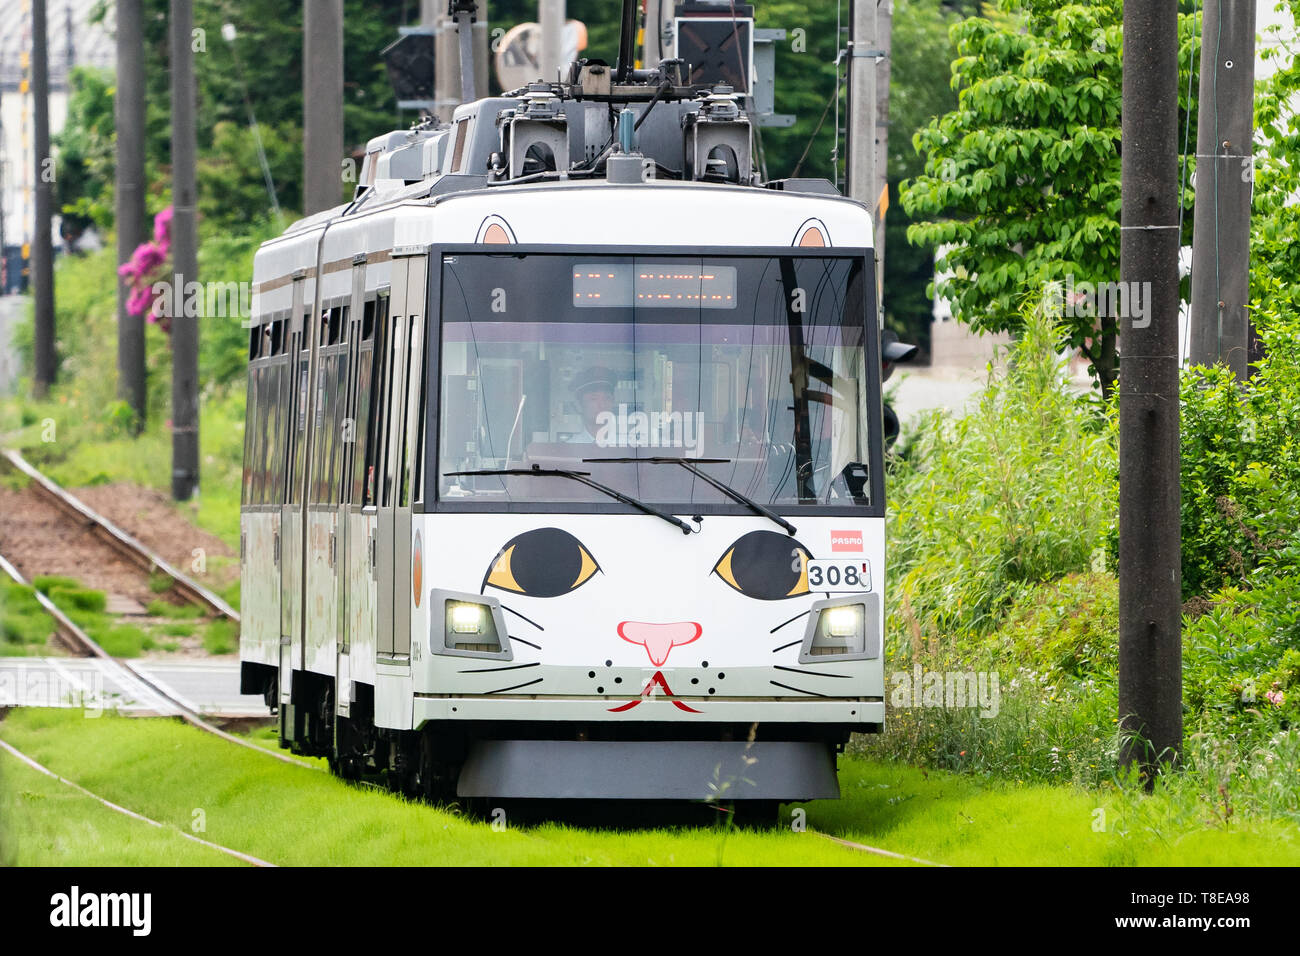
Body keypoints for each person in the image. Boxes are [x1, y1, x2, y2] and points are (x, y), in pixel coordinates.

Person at [567, 366, 616, 444]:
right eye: (594, 398)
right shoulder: (569, 448)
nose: (602, 405)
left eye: (607, 398)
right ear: (580, 406)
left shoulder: (625, 445)